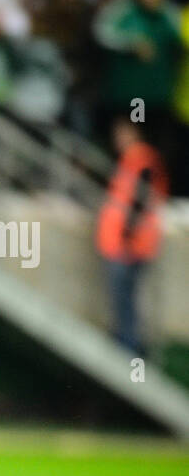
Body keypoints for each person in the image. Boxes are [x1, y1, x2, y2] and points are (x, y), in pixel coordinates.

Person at [96, 117, 168, 357]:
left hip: (130, 245)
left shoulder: (141, 160)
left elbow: (139, 202)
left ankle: (129, 345)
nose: (118, 140)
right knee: (124, 296)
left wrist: (127, 237)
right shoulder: (131, 161)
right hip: (126, 243)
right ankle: (128, 342)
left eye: (122, 134)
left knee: (125, 296)